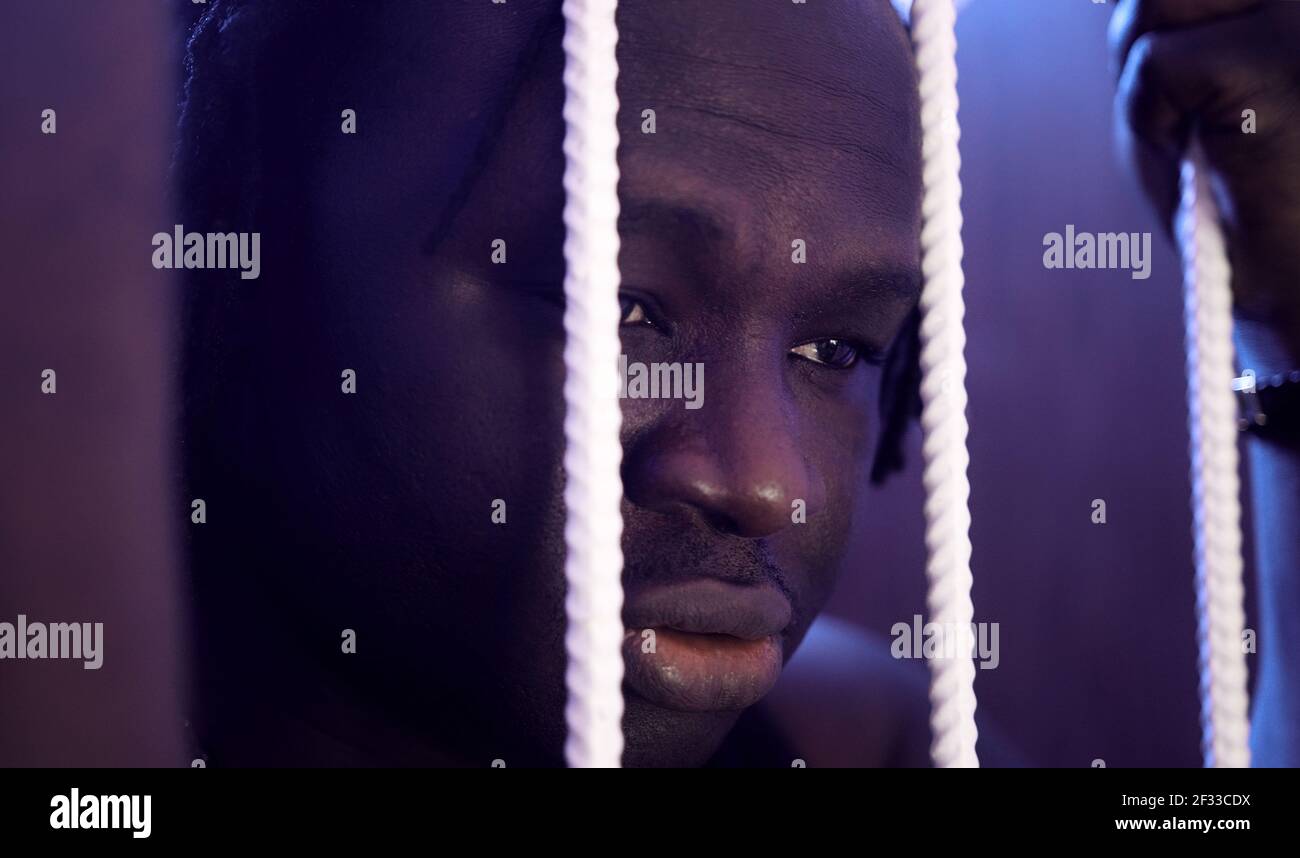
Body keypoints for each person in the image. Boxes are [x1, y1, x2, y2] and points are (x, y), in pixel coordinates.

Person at [176, 0, 1300, 766]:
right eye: (617, 305)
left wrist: (1284, 332)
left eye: (837, 350)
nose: (765, 484)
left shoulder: (863, 744)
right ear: (226, 260)